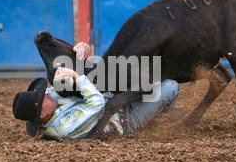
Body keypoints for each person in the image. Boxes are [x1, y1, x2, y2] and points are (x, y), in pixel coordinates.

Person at [12, 42, 180, 140]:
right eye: (43, 99)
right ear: (42, 115)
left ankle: (157, 112)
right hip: (125, 119)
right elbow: (97, 104)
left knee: (151, 76)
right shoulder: (63, 128)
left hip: (113, 98)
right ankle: (157, 126)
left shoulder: (51, 105)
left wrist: (79, 57)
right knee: (171, 86)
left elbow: (60, 85)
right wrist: (76, 75)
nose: (47, 94)